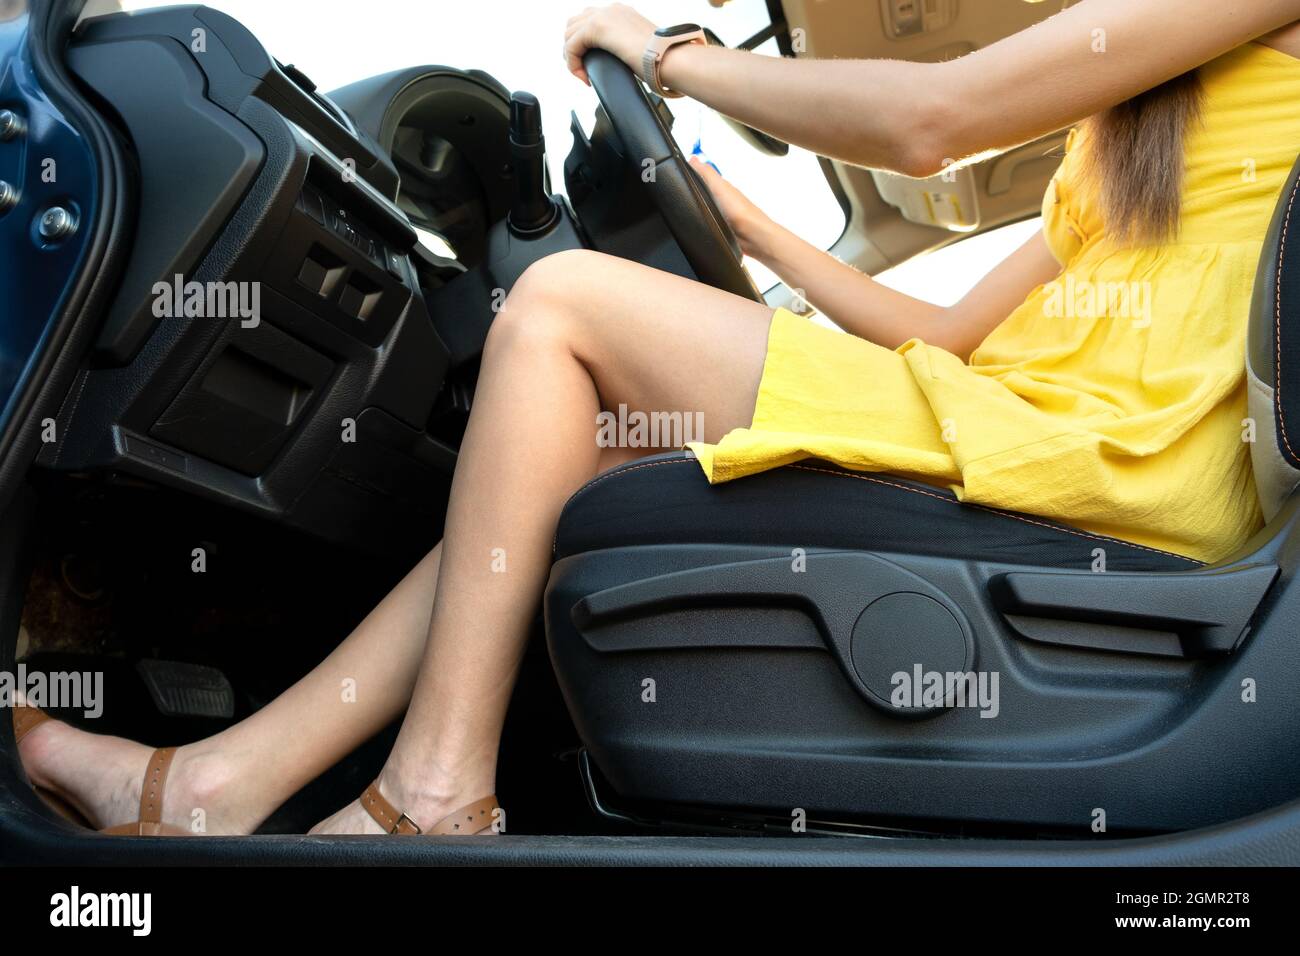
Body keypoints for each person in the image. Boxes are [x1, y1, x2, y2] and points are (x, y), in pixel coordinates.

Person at [13, 0, 1300, 835]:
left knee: (560, 306)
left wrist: (674, 60)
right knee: (561, 433)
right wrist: (736, 219)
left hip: (1124, 458)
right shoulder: (1136, 127)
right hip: (1041, 410)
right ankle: (220, 784)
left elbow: (930, 123)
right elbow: (948, 334)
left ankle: (433, 788)